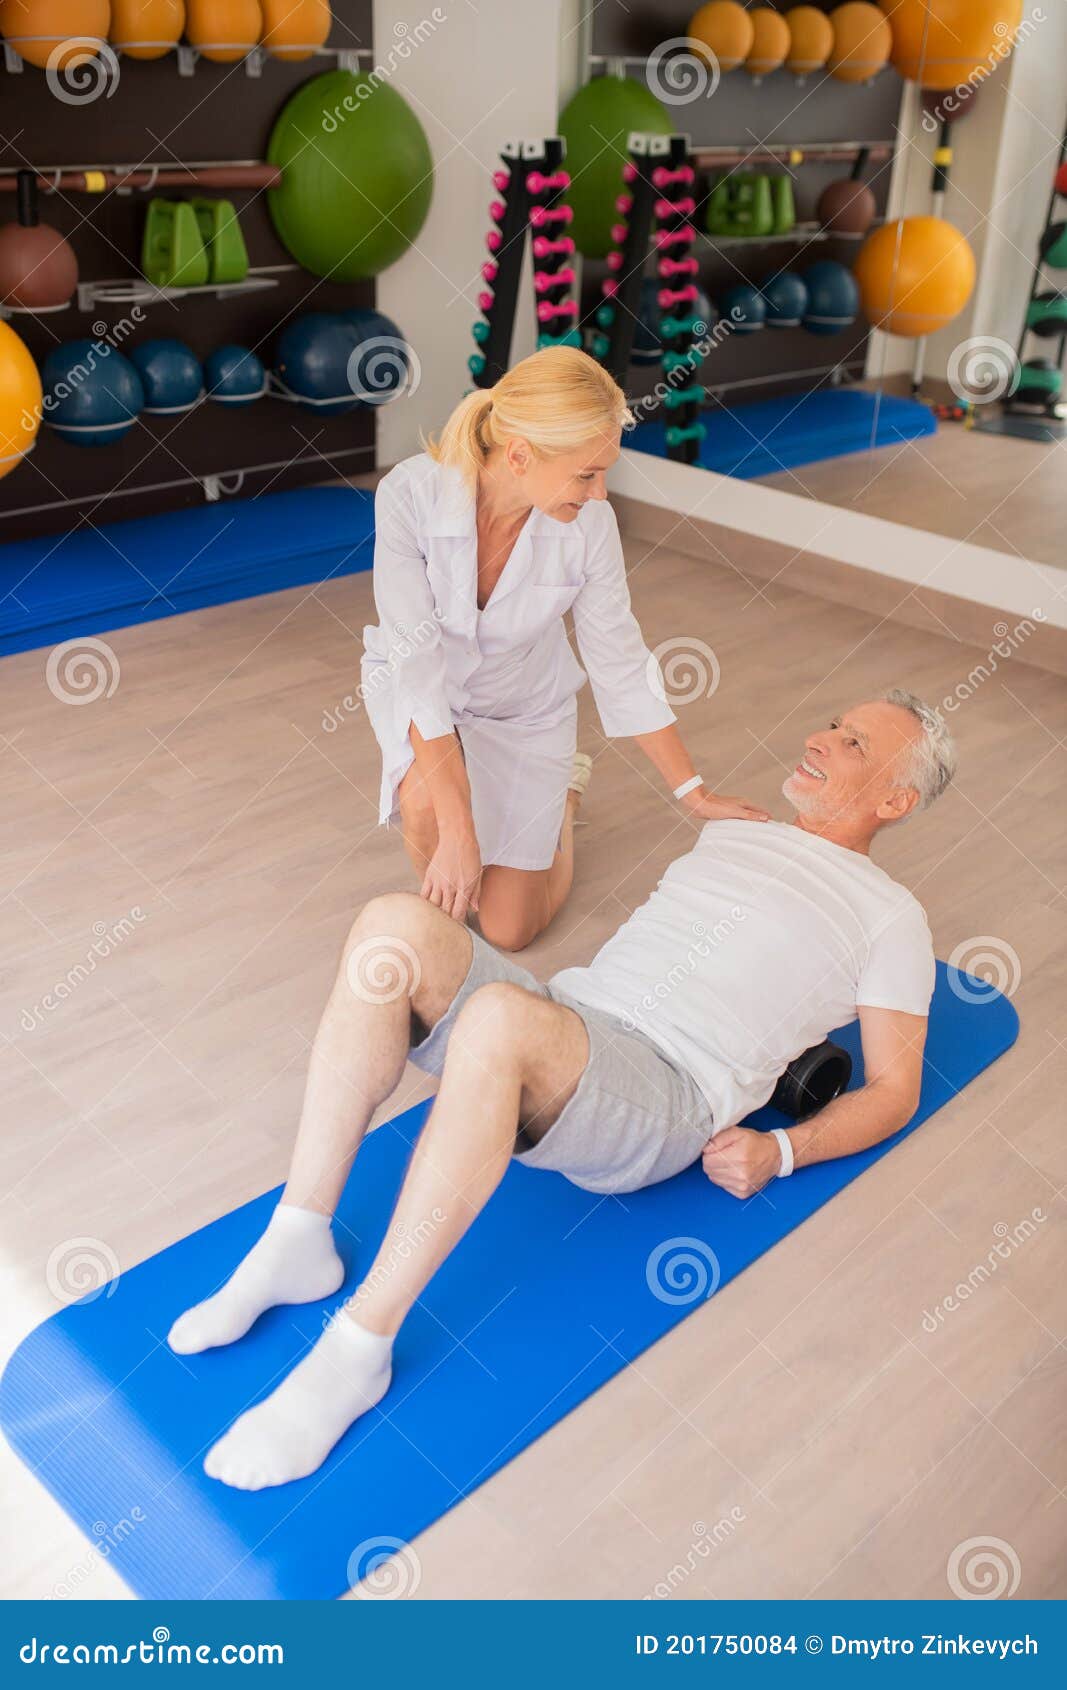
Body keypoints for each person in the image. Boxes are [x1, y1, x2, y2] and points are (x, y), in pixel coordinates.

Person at [169, 690, 956, 1491]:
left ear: (894, 801)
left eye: (853, 742)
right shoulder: (734, 830)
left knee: (500, 1022)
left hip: (663, 1090)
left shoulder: (890, 918)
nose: (820, 738)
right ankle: (298, 1238)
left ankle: (355, 1350)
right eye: (829, 721)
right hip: (572, 1021)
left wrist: (782, 1148)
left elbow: (895, 1088)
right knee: (390, 927)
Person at [361, 345, 769, 951]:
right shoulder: (411, 496)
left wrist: (693, 791)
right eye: (586, 474)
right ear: (520, 454)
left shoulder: (589, 527)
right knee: (428, 812)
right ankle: (458, 874)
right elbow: (418, 673)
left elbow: (619, 659)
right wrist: (461, 832)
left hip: (526, 706)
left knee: (510, 932)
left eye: (604, 471)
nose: (600, 493)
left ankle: (565, 794)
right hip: (430, 696)